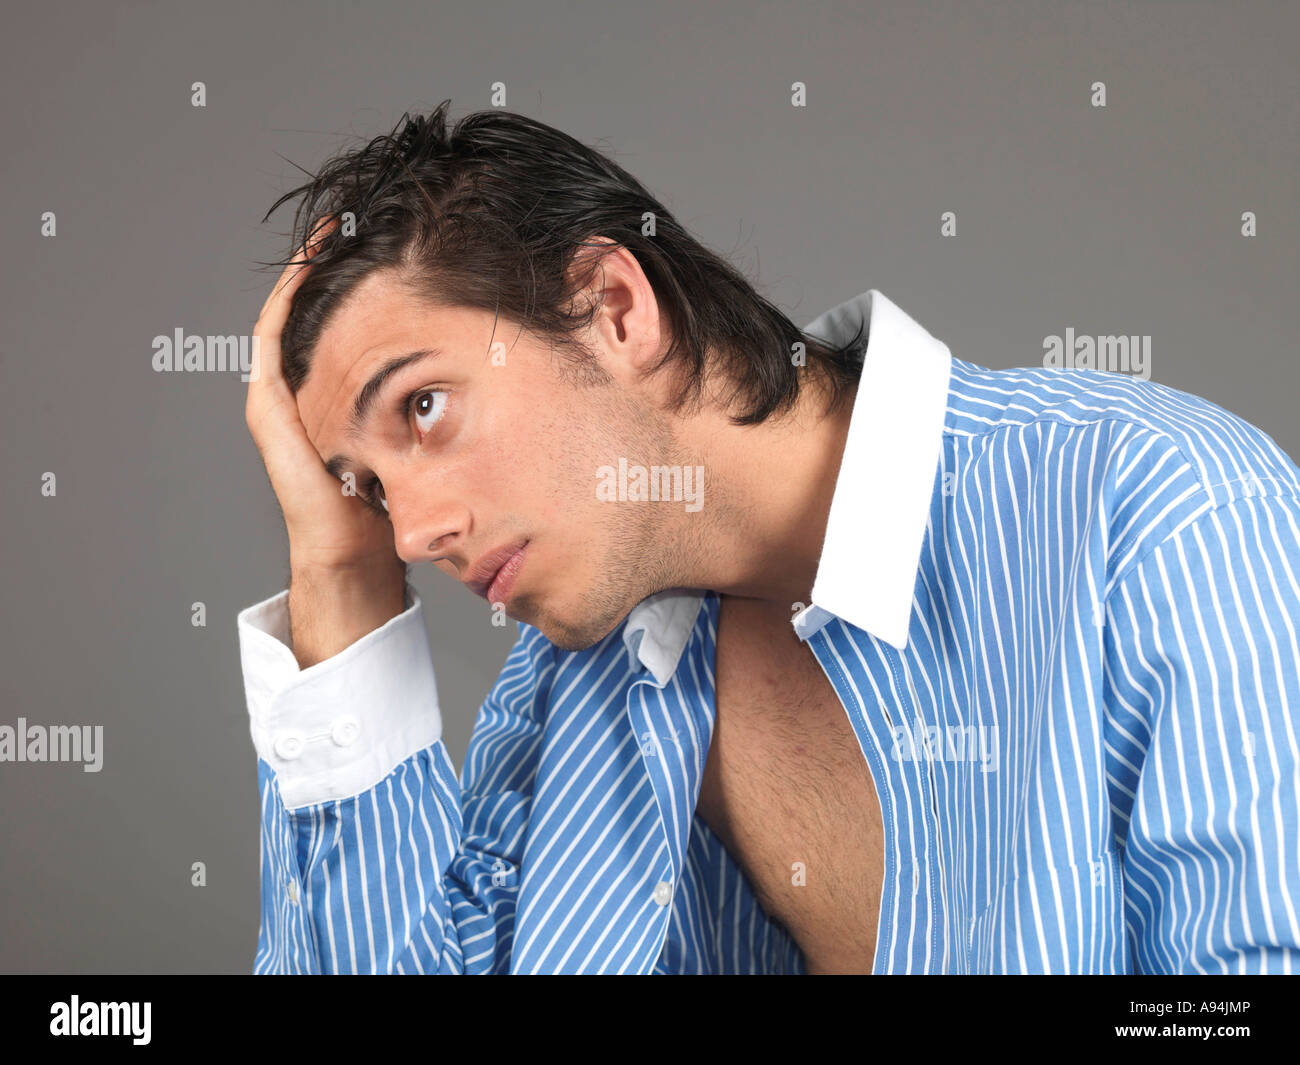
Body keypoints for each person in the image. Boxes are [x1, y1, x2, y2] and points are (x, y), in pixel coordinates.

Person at [239, 102, 1300, 974]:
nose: (415, 534)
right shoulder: (570, 685)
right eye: (369, 488)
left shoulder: (1165, 517)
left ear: (616, 308)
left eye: (424, 407)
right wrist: (339, 573)